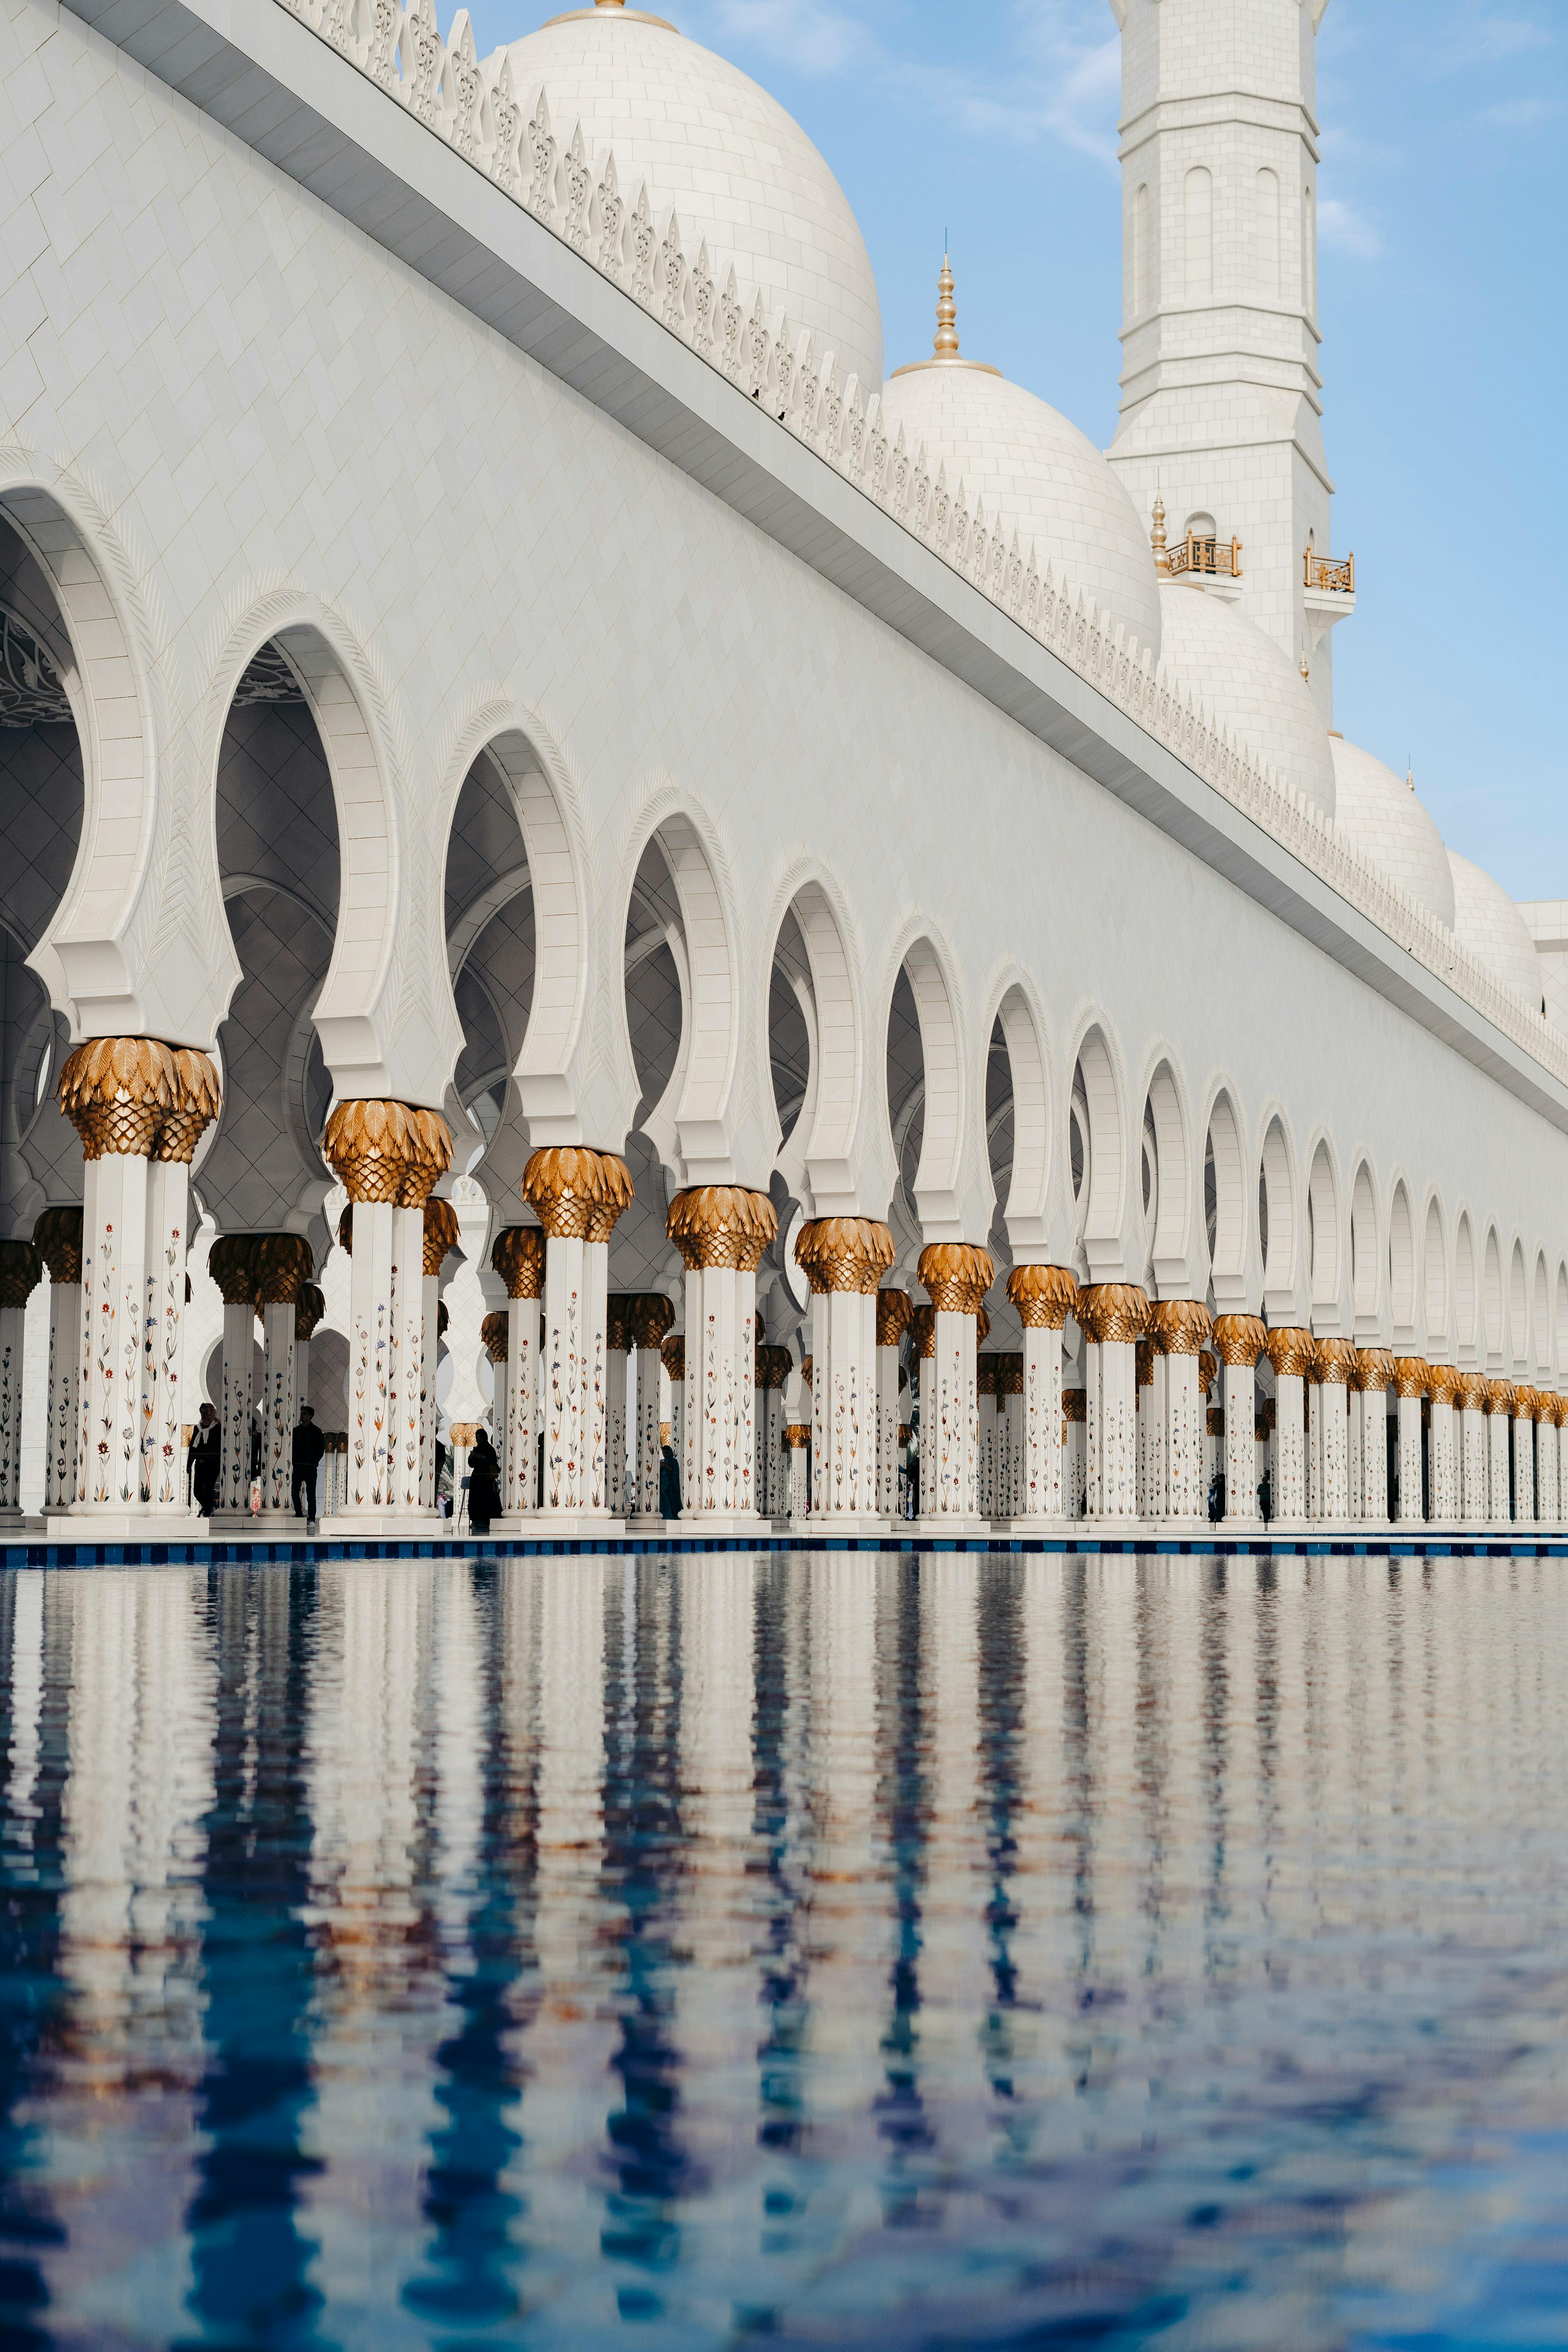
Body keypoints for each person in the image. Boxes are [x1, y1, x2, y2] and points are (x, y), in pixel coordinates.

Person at [292, 1405, 326, 1525]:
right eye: (301, 1413)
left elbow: (321, 1450)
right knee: (294, 1491)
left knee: (311, 1493)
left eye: (304, 1413)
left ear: (310, 1416)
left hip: (311, 1468)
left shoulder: (317, 1432)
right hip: (298, 1467)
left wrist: (313, 1462)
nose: (302, 1415)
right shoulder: (296, 1431)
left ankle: (312, 1518)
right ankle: (299, 1515)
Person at [188, 1402, 220, 1517]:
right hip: (200, 1463)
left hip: (213, 1463)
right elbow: (193, 1446)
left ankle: (207, 1513)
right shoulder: (199, 1428)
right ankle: (210, 1507)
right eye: (203, 1413)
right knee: (197, 1491)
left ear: (212, 1412)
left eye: (206, 1412)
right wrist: (189, 1464)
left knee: (208, 1489)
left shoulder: (218, 1427)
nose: (204, 1415)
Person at [467, 1428, 501, 1534]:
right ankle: (476, 1519)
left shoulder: (490, 1449)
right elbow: (471, 1464)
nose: (479, 1440)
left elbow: (492, 1461)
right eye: (477, 1438)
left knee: (486, 1499)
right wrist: (472, 1457)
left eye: (480, 1438)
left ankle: (486, 1520)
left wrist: (481, 1457)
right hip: (477, 1478)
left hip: (486, 1479)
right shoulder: (477, 1449)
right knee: (475, 1499)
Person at [658, 1441, 681, 1520]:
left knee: (672, 1502)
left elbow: (675, 1471)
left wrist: (666, 1466)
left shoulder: (674, 1462)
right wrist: (660, 1468)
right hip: (663, 1485)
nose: (665, 1455)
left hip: (672, 1486)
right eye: (664, 1453)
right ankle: (665, 1516)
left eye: (667, 1453)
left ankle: (673, 1516)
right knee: (664, 1501)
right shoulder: (662, 1461)